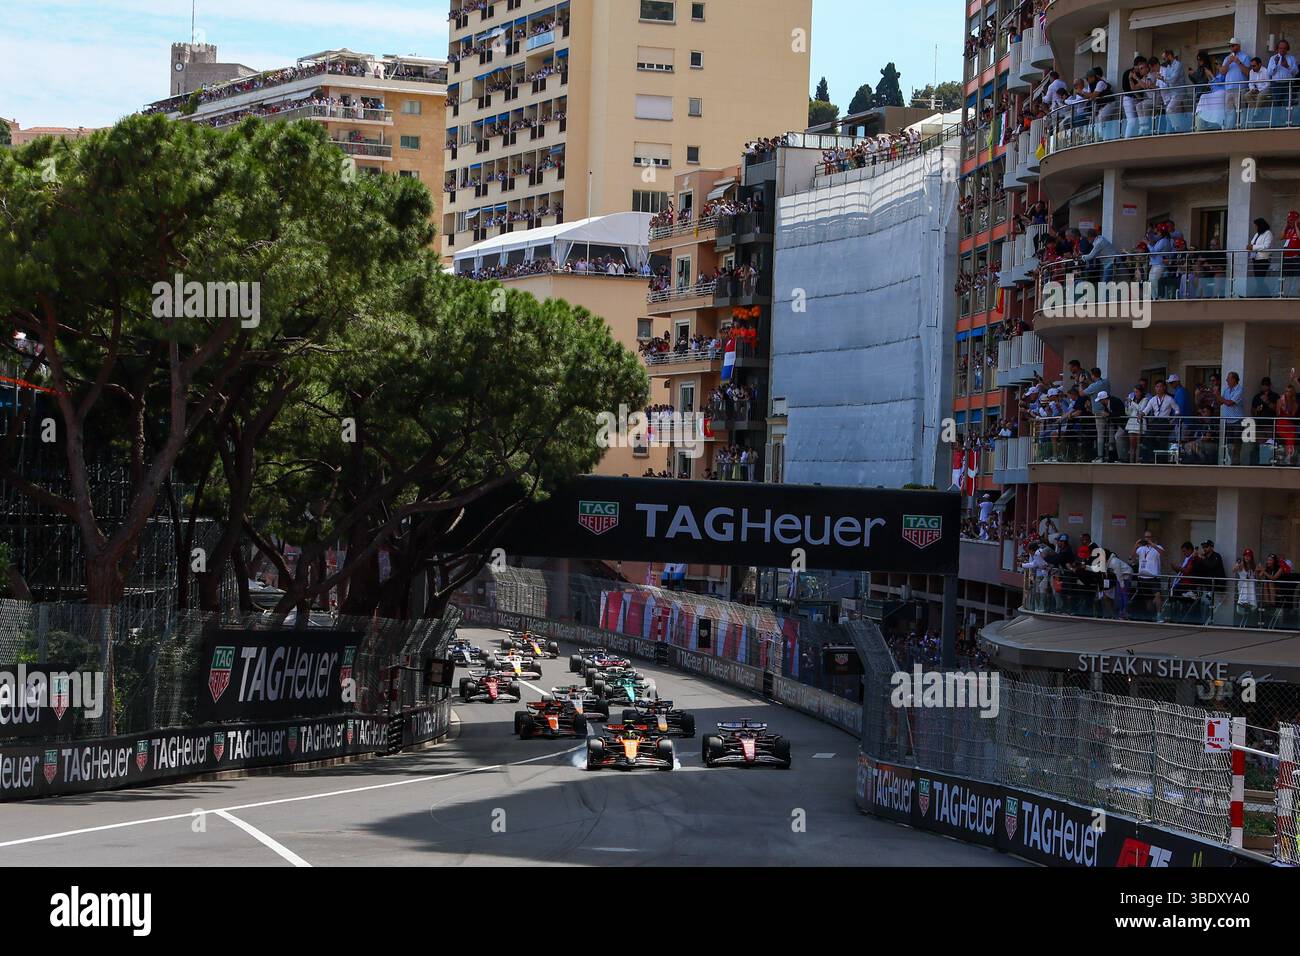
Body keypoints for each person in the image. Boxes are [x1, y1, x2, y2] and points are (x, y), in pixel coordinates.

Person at [1234, 548, 1260, 627]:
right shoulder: (1241, 564)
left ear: (1251, 557)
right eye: (1245, 556)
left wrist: (1259, 571)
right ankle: (1240, 623)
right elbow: (1233, 570)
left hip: (1251, 589)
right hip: (1242, 588)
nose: (1247, 557)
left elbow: (1258, 577)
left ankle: (1249, 624)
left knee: (1250, 605)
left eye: (1248, 556)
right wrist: (1237, 565)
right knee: (1242, 605)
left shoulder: (1254, 566)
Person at [1248, 217, 1275, 293]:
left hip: (1263, 259)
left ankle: (1261, 295)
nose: (1255, 228)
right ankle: (1262, 295)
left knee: (1260, 279)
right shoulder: (1257, 234)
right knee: (1258, 279)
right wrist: (1250, 246)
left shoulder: (1268, 233)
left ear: (1260, 225)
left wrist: (1253, 247)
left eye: (1256, 226)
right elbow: (1253, 243)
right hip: (1255, 259)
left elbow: (1266, 246)